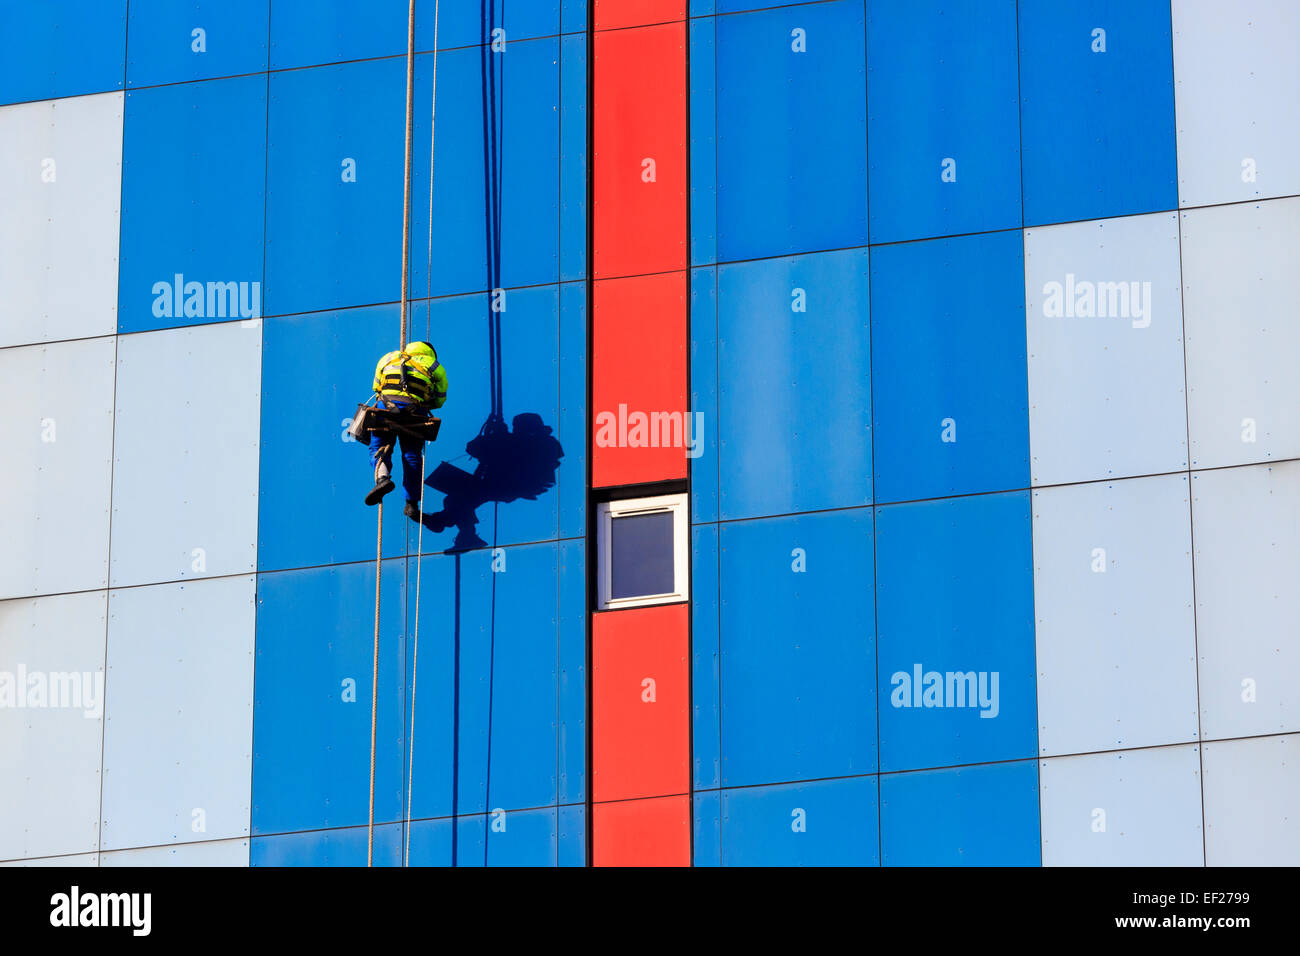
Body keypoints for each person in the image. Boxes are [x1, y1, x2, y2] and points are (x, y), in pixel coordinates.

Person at [365, 341, 448, 518]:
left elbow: (376, 386)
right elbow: (439, 400)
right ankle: (411, 503)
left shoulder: (388, 357)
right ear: (430, 353)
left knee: (378, 445)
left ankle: (382, 478)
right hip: (414, 412)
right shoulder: (434, 366)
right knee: (411, 455)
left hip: (386, 407)